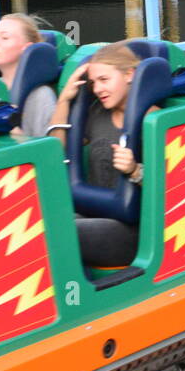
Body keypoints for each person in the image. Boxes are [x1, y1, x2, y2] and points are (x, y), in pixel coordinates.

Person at [48, 42, 156, 268]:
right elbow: (56, 152)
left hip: (134, 231)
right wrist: (64, 100)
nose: (97, 89)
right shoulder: (98, 113)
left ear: (129, 75)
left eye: (104, 80)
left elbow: (171, 187)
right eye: (94, 82)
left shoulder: (154, 119)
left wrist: (135, 170)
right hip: (93, 215)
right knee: (38, 223)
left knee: (53, 234)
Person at [0, 13, 57, 137]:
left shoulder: (41, 96)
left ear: (27, 48)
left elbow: (48, 151)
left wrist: (16, 135)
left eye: (5, 38)